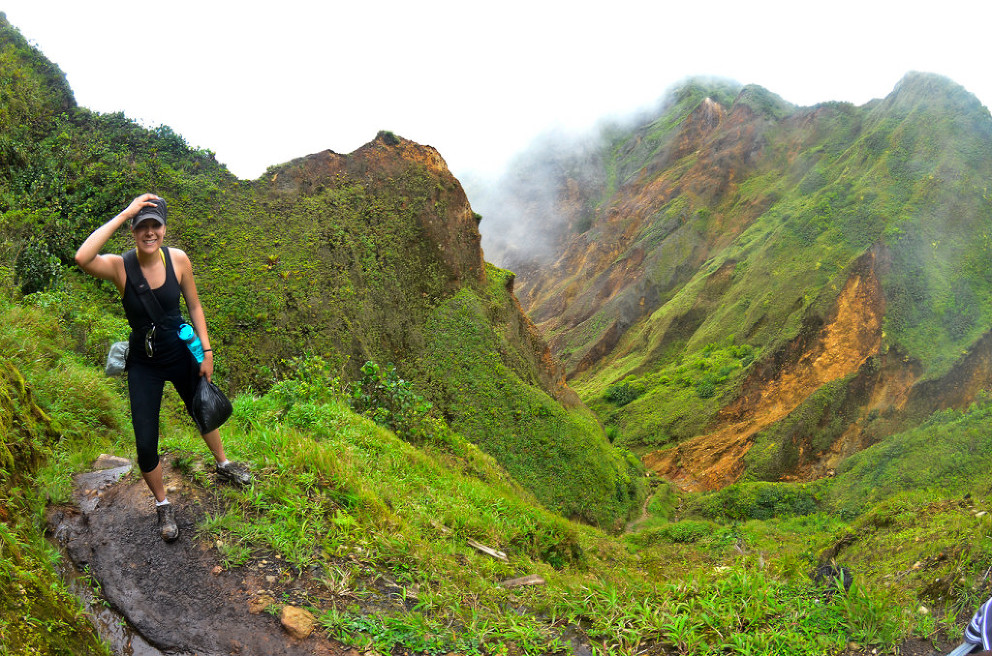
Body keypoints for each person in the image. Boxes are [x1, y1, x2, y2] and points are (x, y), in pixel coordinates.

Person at [75, 193, 251, 542]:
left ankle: (223, 463)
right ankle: (162, 504)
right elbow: (83, 257)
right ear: (134, 231)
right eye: (142, 227)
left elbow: (195, 307)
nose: (149, 232)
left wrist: (207, 349)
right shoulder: (120, 267)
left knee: (202, 409)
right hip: (145, 364)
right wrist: (126, 212)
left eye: (155, 225)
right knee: (145, 442)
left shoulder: (178, 260)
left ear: (164, 229)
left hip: (181, 352)